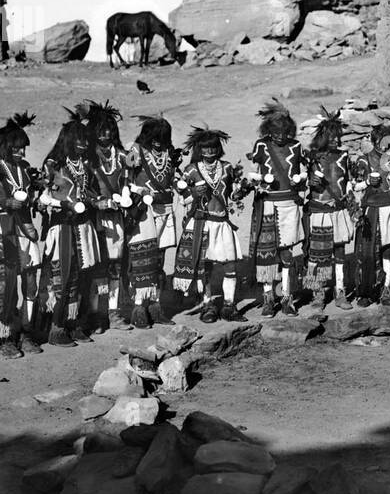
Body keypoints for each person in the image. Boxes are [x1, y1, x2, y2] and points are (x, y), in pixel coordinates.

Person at [0, 112, 44, 358]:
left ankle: (25, 332)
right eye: (17, 149)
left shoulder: (26, 169)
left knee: (30, 282)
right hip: (2, 232)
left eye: (24, 149)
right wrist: (5, 203)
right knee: (4, 285)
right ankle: (3, 336)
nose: (22, 153)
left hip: (25, 230)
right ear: (7, 147)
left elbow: (33, 196)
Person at [39, 108, 101, 346]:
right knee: (62, 276)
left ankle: (73, 323)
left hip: (83, 227)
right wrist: (61, 203)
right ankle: (56, 327)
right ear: (68, 140)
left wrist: (97, 201)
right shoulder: (53, 165)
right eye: (79, 140)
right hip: (62, 228)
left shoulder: (84, 164)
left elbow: (90, 191)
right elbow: (42, 197)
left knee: (80, 275)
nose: (84, 144)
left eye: (86, 140)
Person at [175, 126, 246, 322]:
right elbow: (181, 192)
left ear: (218, 148)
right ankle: (208, 305)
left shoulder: (228, 167)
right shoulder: (191, 169)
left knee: (230, 264)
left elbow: (232, 194)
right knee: (204, 266)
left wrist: (240, 192)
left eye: (213, 147)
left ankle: (229, 306)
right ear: (199, 149)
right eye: (205, 148)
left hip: (222, 221)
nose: (209, 151)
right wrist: (191, 194)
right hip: (202, 223)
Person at [247, 99, 307, 317]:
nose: (280, 136)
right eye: (275, 131)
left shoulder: (297, 147)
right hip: (268, 204)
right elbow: (253, 173)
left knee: (287, 254)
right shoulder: (261, 146)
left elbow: (302, 174)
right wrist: (257, 181)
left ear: (290, 130)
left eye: (284, 131)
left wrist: (300, 182)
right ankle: (267, 299)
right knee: (267, 255)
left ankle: (287, 298)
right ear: (268, 130)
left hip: (289, 205)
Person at [125, 116, 185, 326]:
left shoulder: (170, 153)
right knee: (143, 258)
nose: (158, 142)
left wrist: (180, 184)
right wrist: (138, 191)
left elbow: (174, 176)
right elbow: (126, 179)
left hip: (166, 208)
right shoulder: (135, 151)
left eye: (162, 137)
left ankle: (156, 306)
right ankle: (139, 307)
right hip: (144, 210)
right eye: (155, 137)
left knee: (159, 259)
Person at [84, 101, 134, 331]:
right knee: (97, 267)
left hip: (116, 218)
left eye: (109, 129)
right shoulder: (87, 158)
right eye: (100, 129)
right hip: (94, 220)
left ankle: (113, 313)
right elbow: (82, 187)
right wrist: (97, 202)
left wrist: (125, 193)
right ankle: (94, 314)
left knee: (115, 265)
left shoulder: (122, 155)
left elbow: (128, 179)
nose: (105, 134)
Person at [304, 107, 356, 310]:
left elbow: (349, 183)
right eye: (331, 137)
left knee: (340, 252)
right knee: (318, 255)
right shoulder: (311, 158)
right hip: (319, 210)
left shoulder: (344, 157)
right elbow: (300, 183)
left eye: (338, 137)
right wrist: (310, 181)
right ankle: (318, 293)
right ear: (324, 137)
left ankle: (340, 291)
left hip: (339, 210)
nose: (335, 141)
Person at [353, 124, 390, 306]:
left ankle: (386, 289)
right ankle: (365, 292)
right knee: (367, 251)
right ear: (375, 141)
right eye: (381, 142)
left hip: (389, 208)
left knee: (388, 250)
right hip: (371, 209)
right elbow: (355, 186)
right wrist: (368, 181)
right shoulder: (363, 160)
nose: (384, 146)